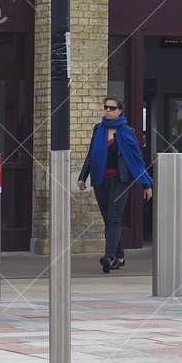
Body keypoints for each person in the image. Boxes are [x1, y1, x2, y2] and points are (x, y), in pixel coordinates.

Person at [77, 95, 152, 273]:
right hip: (101, 180)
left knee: (113, 218)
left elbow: (136, 160)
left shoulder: (127, 132)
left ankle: (109, 257)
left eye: (112, 108)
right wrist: (82, 177)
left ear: (120, 111)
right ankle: (120, 256)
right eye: (106, 107)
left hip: (121, 181)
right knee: (108, 219)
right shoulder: (98, 129)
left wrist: (146, 184)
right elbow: (91, 155)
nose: (108, 111)